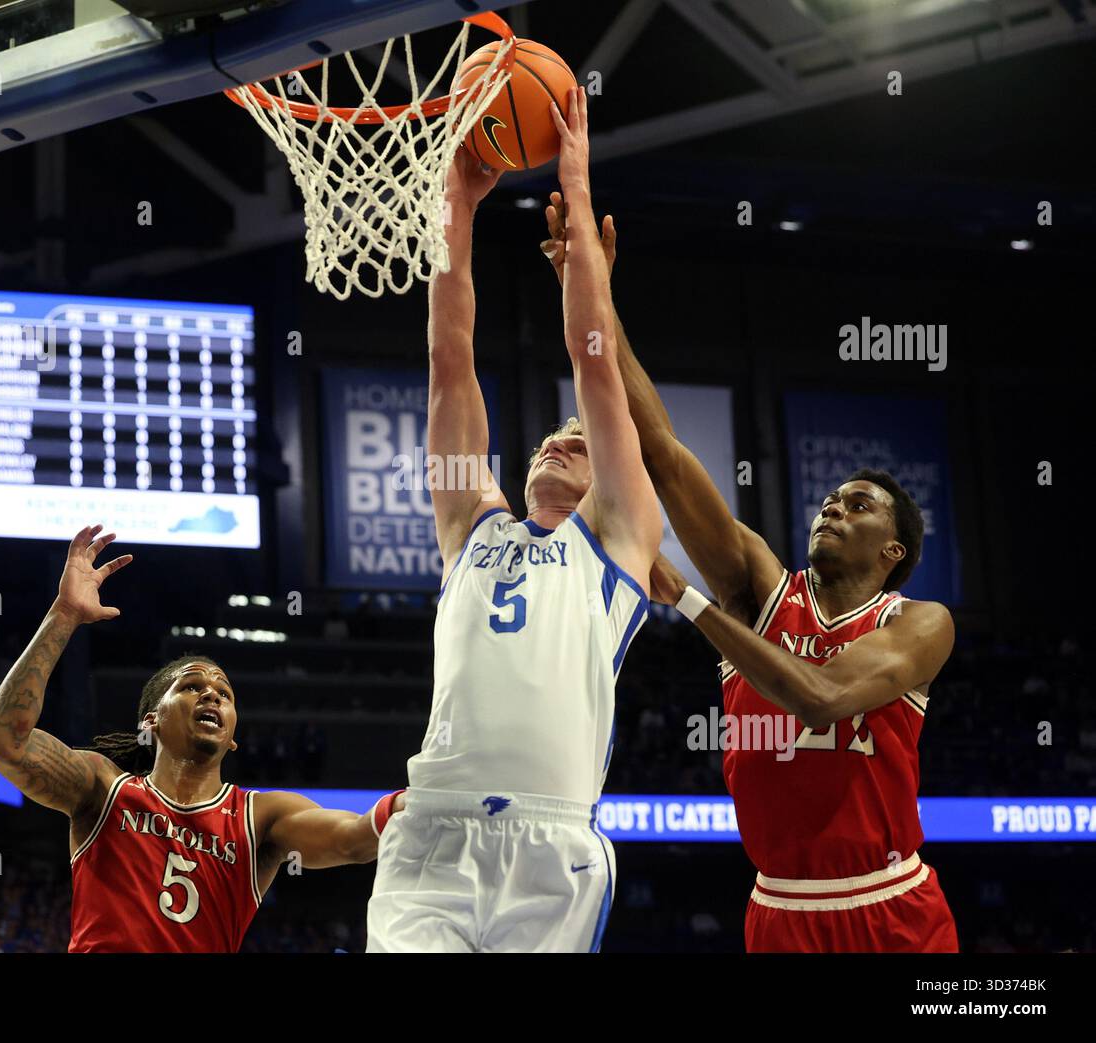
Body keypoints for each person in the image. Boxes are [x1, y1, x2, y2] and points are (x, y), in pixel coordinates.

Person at [540, 204, 957, 953]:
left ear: (893, 549)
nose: (833, 506)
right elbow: (660, 450)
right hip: (777, 909)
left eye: (857, 505)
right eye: (831, 499)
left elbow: (822, 696)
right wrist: (591, 294)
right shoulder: (760, 589)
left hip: (890, 907)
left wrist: (690, 601)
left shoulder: (918, 623)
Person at [366, 88, 662, 953]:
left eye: (577, 441)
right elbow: (448, 361)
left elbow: (596, 373)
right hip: (435, 832)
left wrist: (576, 205)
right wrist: (453, 210)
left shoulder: (617, 539)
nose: (560, 441)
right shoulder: (470, 524)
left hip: (552, 845)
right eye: (550, 437)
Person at [0, 525, 404, 953]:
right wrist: (65, 614)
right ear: (151, 721)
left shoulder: (260, 817)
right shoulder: (105, 789)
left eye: (224, 693)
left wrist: (411, 802)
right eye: (191, 686)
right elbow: (5, 741)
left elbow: (353, 839)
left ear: (233, 737)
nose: (211, 695)